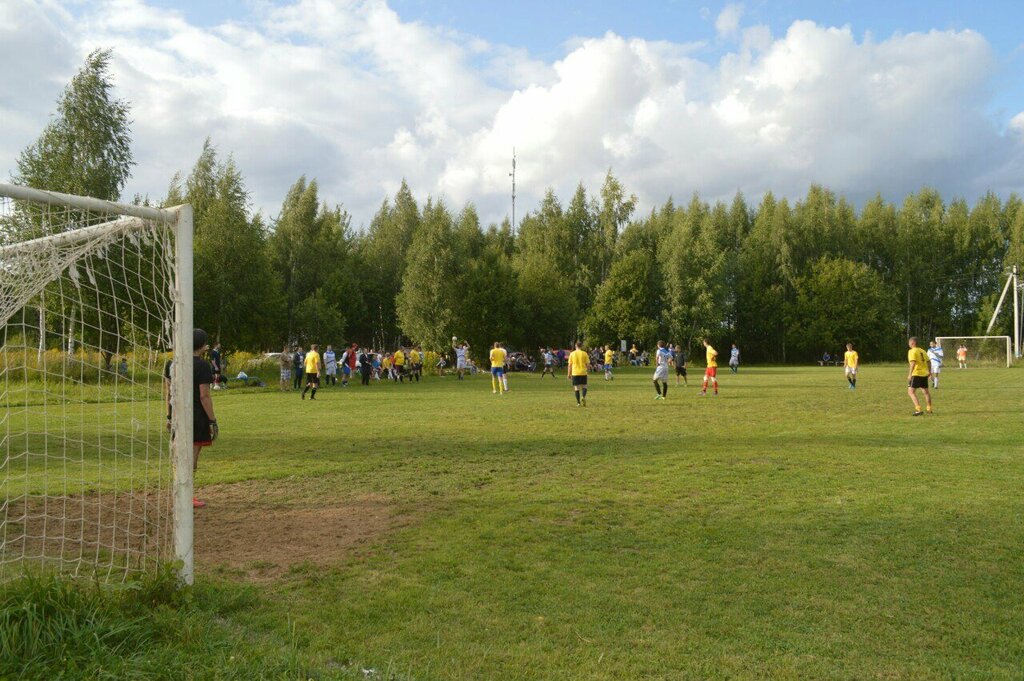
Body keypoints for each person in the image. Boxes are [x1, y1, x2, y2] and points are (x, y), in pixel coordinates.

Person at [163, 328, 218, 509]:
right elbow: (204, 396)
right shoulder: (202, 365)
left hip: (178, 415)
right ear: (202, 345)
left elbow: (168, 393)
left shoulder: (172, 363)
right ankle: (185, 496)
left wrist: (169, 416)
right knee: (191, 458)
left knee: (179, 456)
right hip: (195, 417)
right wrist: (212, 420)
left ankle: (180, 494)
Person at [907, 337, 933, 416]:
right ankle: (929, 408)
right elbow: (929, 362)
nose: (909, 344)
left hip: (916, 374)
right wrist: (929, 372)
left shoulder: (912, 351)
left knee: (911, 392)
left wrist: (910, 374)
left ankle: (918, 409)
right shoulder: (923, 351)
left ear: (912, 343)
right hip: (924, 374)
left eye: (909, 343)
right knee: (926, 392)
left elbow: (913, 363)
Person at [568, 341, 589, 406]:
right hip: (583, 372)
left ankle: (578, 403)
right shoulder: (584, 353)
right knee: (584, 386)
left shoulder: (572, 354)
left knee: (576, 388)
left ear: (575, 346)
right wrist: (587, 370)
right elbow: (587, 364)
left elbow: (570, 365)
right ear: (581, 346)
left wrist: (569, 374)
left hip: (575, 373)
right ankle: (583, 397)